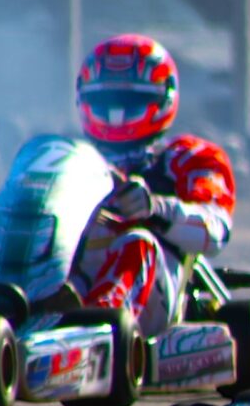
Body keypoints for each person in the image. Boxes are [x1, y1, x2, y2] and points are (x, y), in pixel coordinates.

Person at [72, 34, 236, 335]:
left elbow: (215, 230)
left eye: (132, 101)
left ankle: (97, 329)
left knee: (137, 243)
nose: (116, 112)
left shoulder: (189, 157)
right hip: (73, 278)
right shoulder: (71, 157)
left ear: (163, 99)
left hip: (154, 294)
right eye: (104, 100)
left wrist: (156, 209)